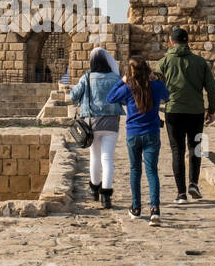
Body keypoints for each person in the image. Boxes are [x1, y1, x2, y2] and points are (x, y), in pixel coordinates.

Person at [156, 26, 215, 204]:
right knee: (196, 148)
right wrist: (211, 110)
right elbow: (212, 88)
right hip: (196, 112)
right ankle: (194, 184)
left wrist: (157, 108)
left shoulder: (163, 63)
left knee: (177, 150)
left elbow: (154, 88)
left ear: (171, 42)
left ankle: (181, 194)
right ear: (187, 41)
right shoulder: (200, 62)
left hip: (173, 112)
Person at [107, 55, 170, 225]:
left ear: (130, 72)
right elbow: (168, 96)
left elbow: (110, 97)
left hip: (133, 134)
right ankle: (155, 209)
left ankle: (136, 207)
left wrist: (123, 80)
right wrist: (155, 79)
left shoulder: (128, 87)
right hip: (152, 133)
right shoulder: (156, 85)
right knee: (152, 171)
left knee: (135, 170)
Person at [67, 47, 124, 208]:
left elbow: (73, 96)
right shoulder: (115, 78)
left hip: (92, 123)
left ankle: (94, 189)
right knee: (108, 158)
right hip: (111, 123)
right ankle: (106, 194)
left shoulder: (87, 77)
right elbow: (124, 99)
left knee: (95, 157)